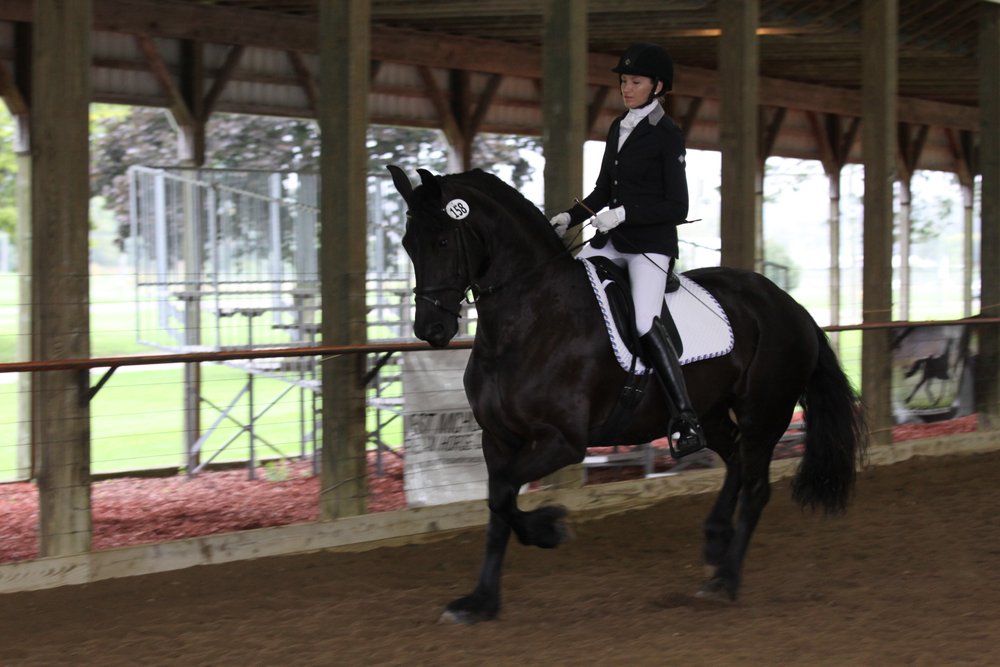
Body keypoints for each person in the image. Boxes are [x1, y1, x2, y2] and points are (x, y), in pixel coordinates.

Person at [549, 42, 706, 458]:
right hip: (610, 243)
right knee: (565, 292)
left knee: (641, 320)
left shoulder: (667, 134)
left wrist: (624, 214)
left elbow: (678, 205)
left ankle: (685, 417)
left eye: (634, 81)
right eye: (623, 81)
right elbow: (603, 189)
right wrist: (571, 217)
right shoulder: (619, 126)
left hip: (649, 248)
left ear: (658, 87)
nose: (626, 88)